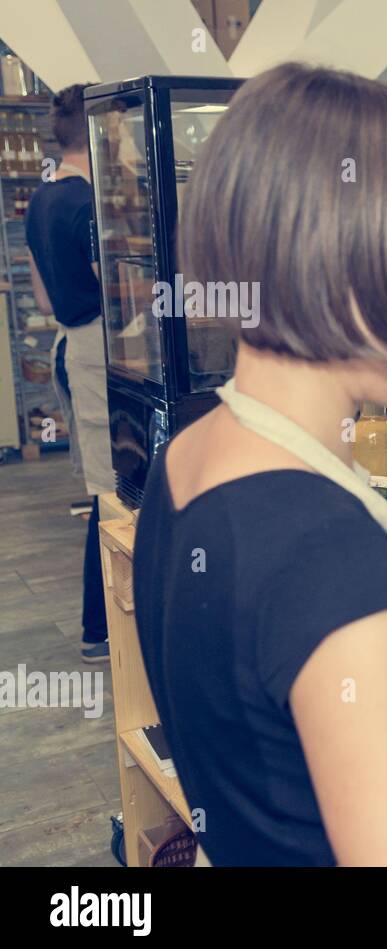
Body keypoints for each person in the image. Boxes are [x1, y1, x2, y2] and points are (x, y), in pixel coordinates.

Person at [131, 63, 387, 866]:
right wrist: (371, 573)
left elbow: (269, 630)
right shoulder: (331, 568)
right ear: (347, 267)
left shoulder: (196, 450)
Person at [25, 84, 112, 663]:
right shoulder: (88, 202)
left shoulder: (40, 201)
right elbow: (118, 291)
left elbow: (40, 291)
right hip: (97, 347)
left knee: (108, 487)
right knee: (113, 493)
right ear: (99, 132)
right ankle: (99, 629)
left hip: (67, 343)